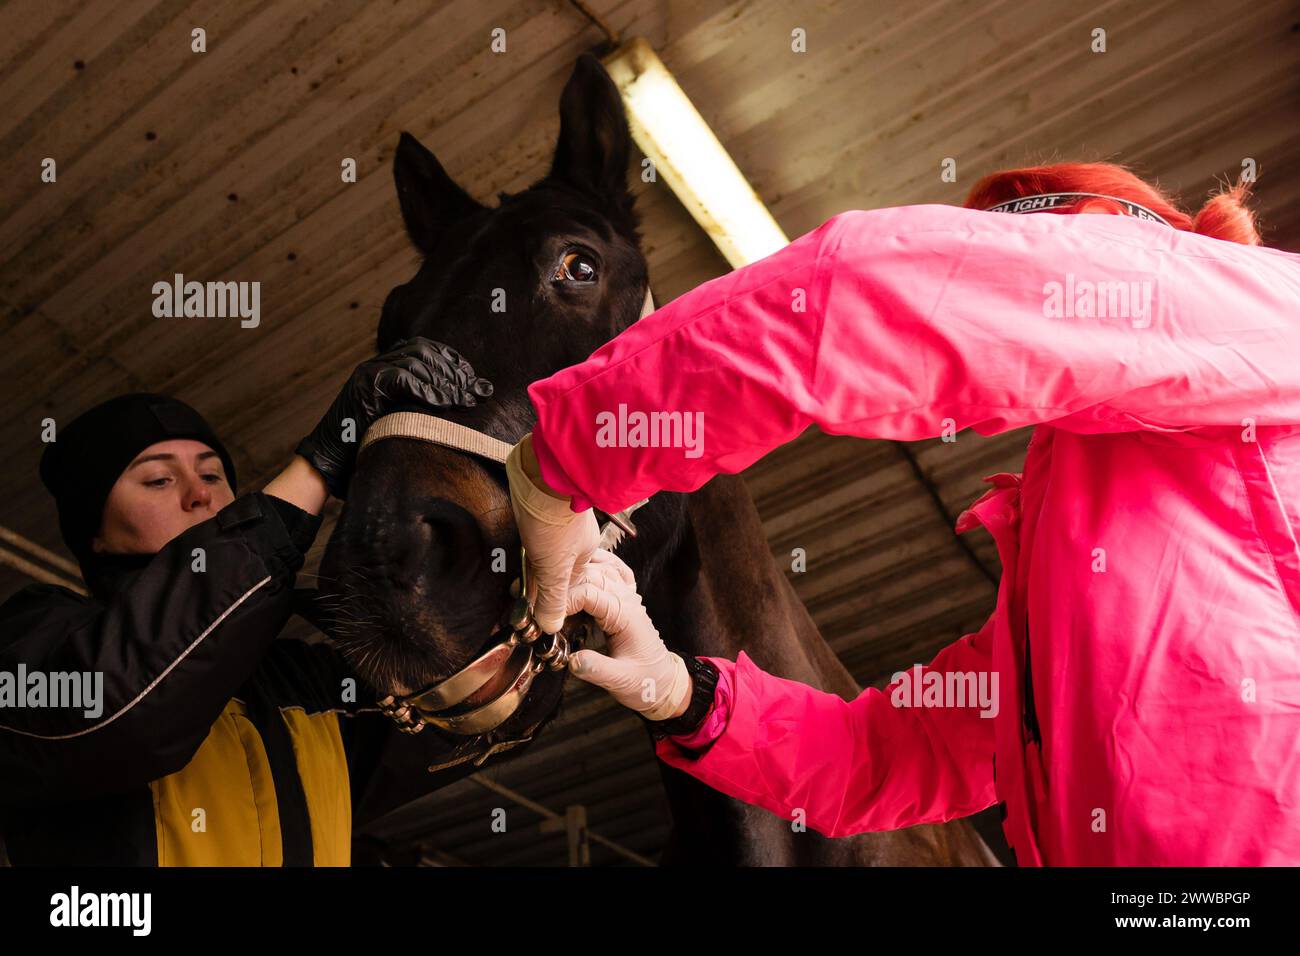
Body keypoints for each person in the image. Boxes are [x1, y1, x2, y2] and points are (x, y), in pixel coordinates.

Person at [503, 162, 1300, 866]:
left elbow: (862, 294)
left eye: (1013, 254)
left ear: (1102, 240)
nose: (1008, 283)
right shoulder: (1056, 621)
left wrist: (567, 457)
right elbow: (880, 756)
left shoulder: (1249, 308)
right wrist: (683, 693)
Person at [0, 339, 483, 865]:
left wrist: (549, 589)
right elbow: (123, 706)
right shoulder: (33, 638)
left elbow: (461, 711)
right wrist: (319, 465)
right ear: (95, 532)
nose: (200, 494)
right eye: (159, 479)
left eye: (212, 474)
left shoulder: (308, 682)